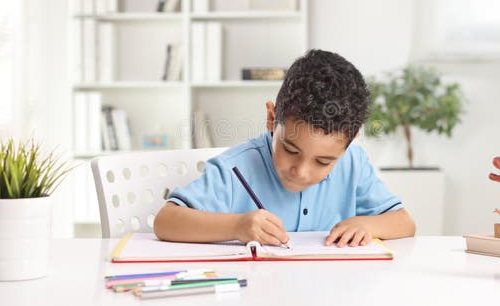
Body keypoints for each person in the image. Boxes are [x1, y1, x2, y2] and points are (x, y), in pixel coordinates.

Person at [154, 49, 415, 247]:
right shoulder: (235, 168)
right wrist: (237, 226)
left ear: (351, 142)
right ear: (271, 118)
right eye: (291, 150)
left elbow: (405, 222)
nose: (301, 171)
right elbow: (166, 222)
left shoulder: (354, 163)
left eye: (323, 162)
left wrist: (366, 224)